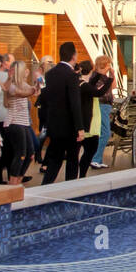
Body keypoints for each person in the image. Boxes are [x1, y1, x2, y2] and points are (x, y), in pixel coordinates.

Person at [41, 42, 84, 184]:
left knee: (55, 159)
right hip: (69, 125)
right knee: (72, 160)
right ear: (73, 56)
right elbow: (75, 103)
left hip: (54, 123)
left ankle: (45, 187)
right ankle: (70, 190)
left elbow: (47, 98)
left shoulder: (50, 74)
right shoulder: (71, 75)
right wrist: (80, 127)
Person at [2, 60, 38, 184]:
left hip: (24, 123)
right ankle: (12, 184)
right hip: (14, 123)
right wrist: (33, 90)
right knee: (21, 154)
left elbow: (34, 91)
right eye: (25, 69)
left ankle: (18, 181)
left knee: (30, 155)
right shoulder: (11, 86)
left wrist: (37, 83)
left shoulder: (23, 83)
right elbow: (23, 94)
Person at [88, 54, 115, 168]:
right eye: (108, 64)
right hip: (101, 105)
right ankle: (95, 158)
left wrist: (112, 75)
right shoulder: (96, 76)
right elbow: (99, 90)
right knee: (105, 132)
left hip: (106, 106)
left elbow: (113, 86)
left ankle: (97, 159)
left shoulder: (104, 76)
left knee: (103, 132)